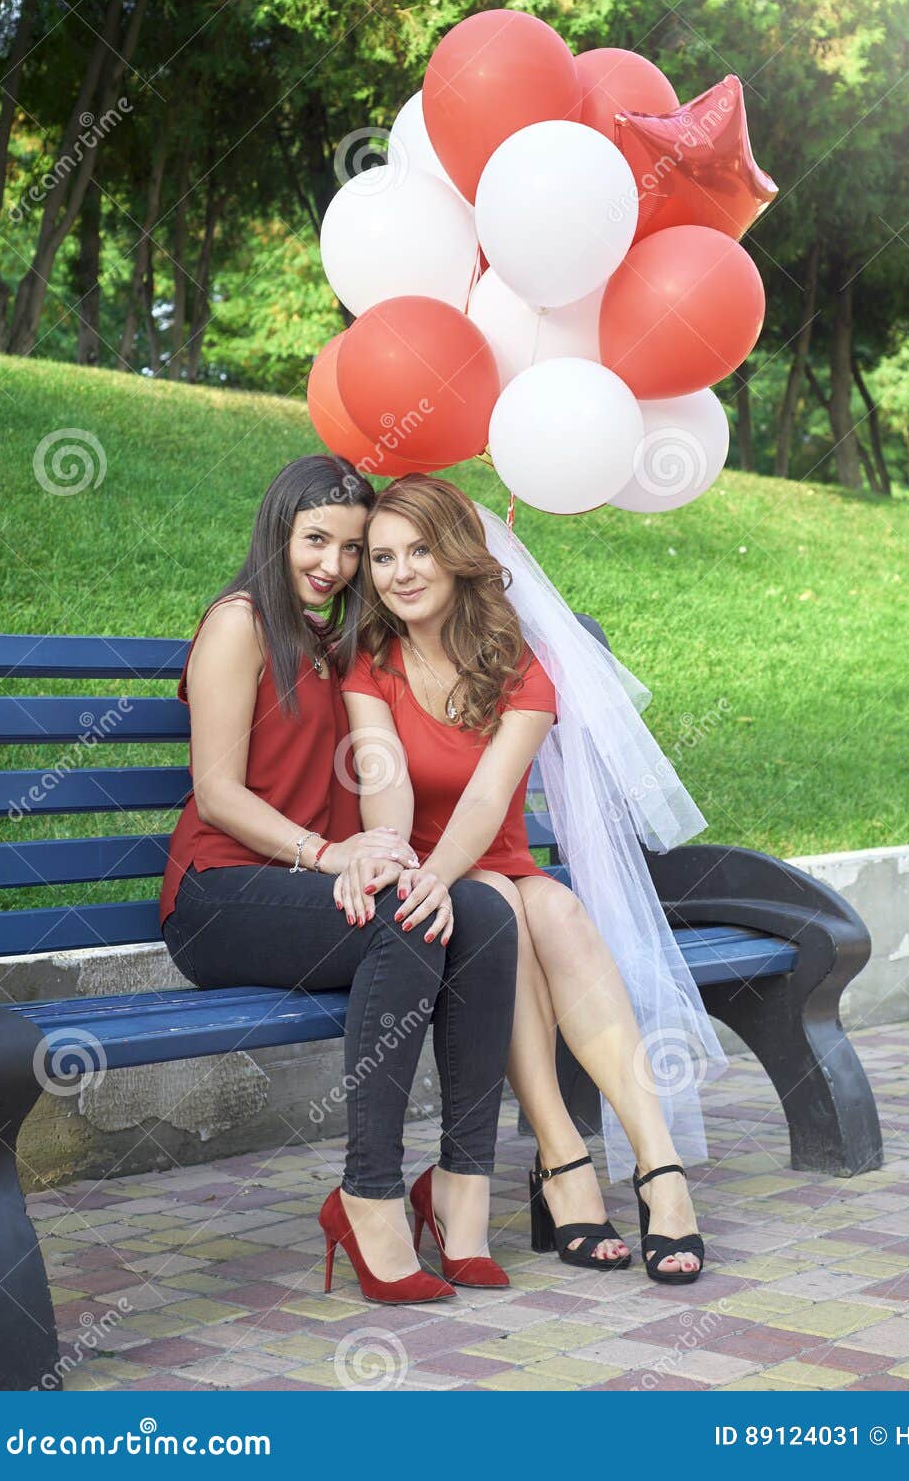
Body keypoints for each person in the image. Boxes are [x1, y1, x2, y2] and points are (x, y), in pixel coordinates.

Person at [341, 473, 726, 1284]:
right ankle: (565, 1162)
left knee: (557, 913)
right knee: (502, 909)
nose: (401, 573)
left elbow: (489, 797)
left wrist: (442, 873)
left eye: (419, 551)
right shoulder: (371, 665)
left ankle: (656, 1168)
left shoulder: (519, 665)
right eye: (381, 557)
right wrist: (415, 865)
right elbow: (384, 783)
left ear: (458, 557)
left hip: (484, 862)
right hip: (423, 877)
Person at [159, 455, 518, 1305]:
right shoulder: (240, 623)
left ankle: (461, 1184)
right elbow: (217, 791)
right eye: (316, 540)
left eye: (354, 549)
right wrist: (330, 855)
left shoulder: (340, 644)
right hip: (220, 896)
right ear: (278, 530)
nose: (335, 565)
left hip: (318, 892)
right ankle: (369, 1195)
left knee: (478, 912)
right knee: (408, 920)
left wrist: (381, 854)